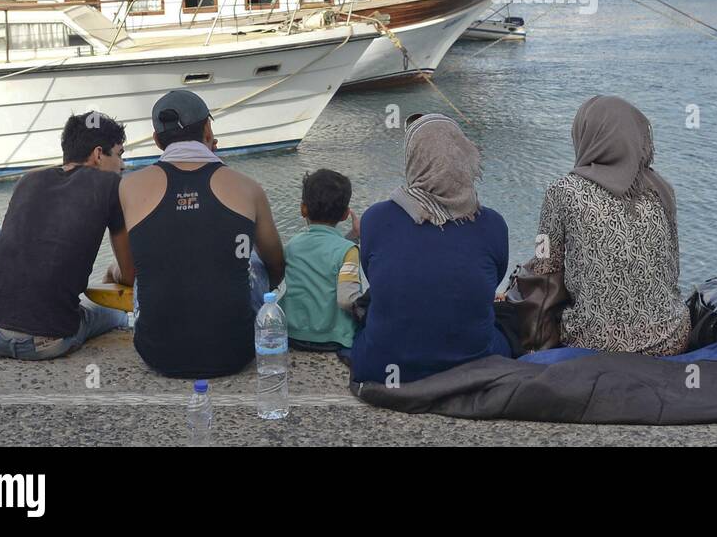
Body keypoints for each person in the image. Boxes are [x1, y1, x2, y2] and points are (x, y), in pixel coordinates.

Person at [120, 90, 285, 378]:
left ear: (158, 140)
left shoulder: (129, 188)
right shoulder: (248, 187)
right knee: (254, 262)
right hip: (235, 352)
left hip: (157, 352)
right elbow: (277, 265)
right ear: (208, 131)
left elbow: (132, 268)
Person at [0, 112, 133, 359]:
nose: (123, 165)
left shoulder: (28, 179)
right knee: (116, 314)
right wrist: (113, 272)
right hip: (50, 341)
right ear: (98, 154)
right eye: (119, 154)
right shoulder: (112, 187)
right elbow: (130, 276)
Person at [350, 114, 512, 384]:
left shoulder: (375, 218)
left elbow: (376, 276)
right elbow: (491, 280)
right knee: (506, 323)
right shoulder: (492, 224)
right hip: (474, 365)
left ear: (412, 158)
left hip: (382, 365)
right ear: (462, 157)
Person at [531, 95, 691, 355]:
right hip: (670, 338)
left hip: (595, 341)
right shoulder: (662, 189)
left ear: (585, 136)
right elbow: (672, 266)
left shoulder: (562, 191)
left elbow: (544, 265)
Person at [280, 169, 362, 353]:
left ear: (303, 209)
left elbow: (321, 252)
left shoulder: (292, 246)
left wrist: (353, 235)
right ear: (345, 215)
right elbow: (346, 300)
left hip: (292, 335)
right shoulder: (348, 252)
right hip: (334, 339)